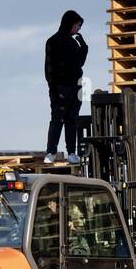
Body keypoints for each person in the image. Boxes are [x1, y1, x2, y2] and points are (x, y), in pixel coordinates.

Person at [44, 9, 89, 164]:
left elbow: (80, 63)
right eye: (77, 25)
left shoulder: (74, 43)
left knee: (72, 120)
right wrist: (54, 88)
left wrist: (83, 46)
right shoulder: (53, 42)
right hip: (59, 89)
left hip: (75, 88)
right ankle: (50, 152)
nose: (78, 29)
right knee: (57, 119)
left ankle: (72, 152)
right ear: (69, 24)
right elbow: (49, 68)